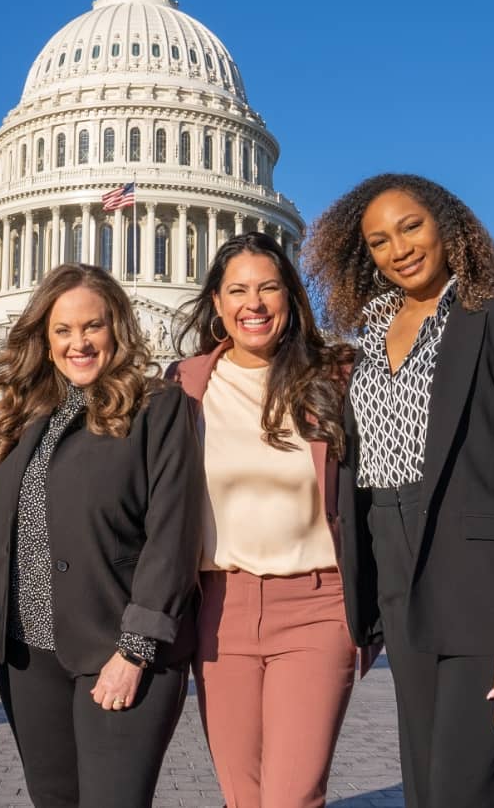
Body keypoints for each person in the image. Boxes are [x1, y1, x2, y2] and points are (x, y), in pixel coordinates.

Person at [305, 174, 494, 808]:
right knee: (424, 790)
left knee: (464, 789)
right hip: (396, 579)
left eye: (411, 226)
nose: (399, 248)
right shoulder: (362, 341)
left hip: (481, 589)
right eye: (377, 241)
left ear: (449, 226)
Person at [0, 263, 202, 808]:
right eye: (63, 330)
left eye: (93, 327)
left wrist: (135, 649)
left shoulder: (158, 407)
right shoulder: (24, 415)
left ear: (118, 329)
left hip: (118, 648)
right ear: (45, 337)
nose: (77, 343)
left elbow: (172, 534)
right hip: (31, 657)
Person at [167, 231, 369, 808]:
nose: (253, 304)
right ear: (216, 303)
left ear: (291, 297)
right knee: (242, 795)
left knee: (291, 796)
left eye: (268, 288)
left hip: (317, 606)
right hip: (220, 609)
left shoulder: (337, 378)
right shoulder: (183, 386)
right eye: (237, 290)